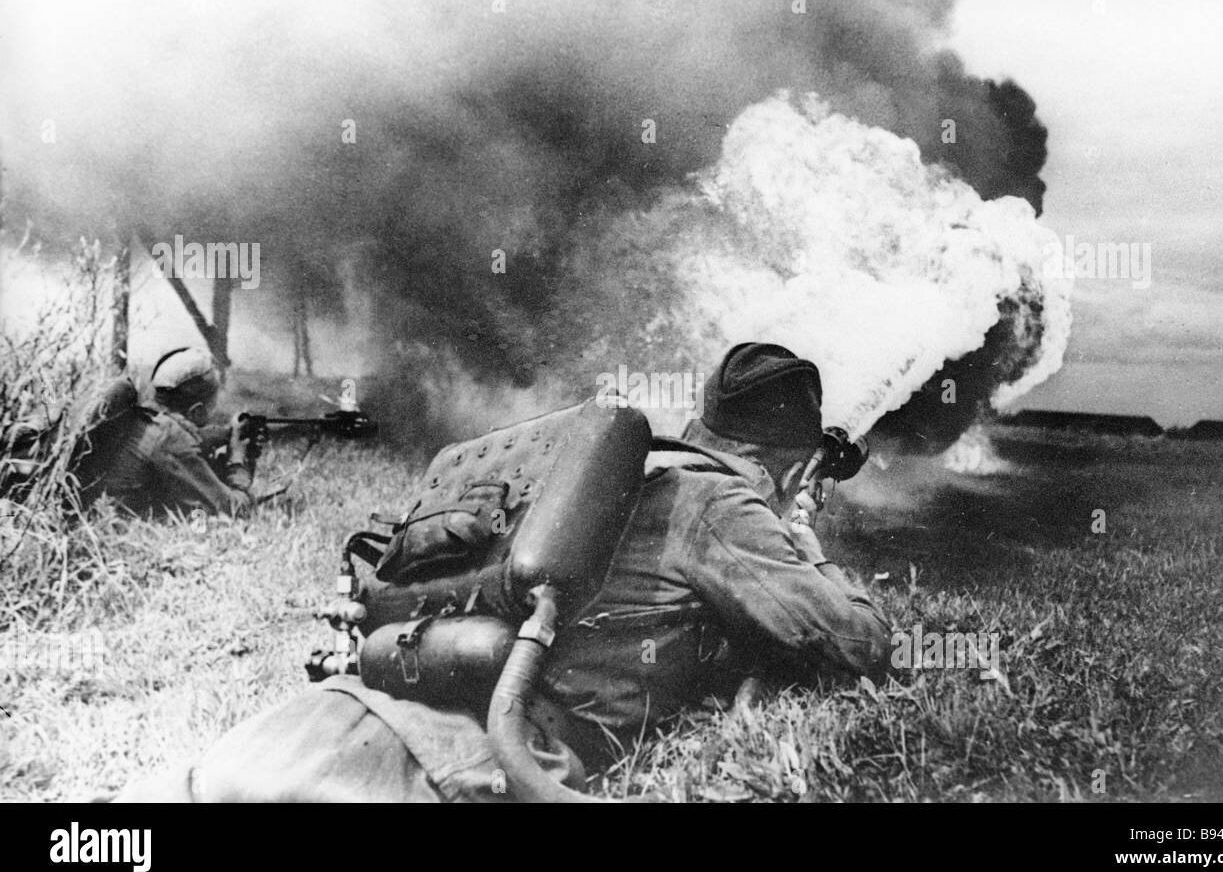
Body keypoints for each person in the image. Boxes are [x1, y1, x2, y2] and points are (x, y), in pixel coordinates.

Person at [114, 343, 890, 802]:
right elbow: (855, 643)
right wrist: (799, 532)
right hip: (438, 765)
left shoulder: (623, 472)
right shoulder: (719, 505)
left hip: (326, 718)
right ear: (788, 461)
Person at [76, 347, 256, 518]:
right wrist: (238, 460)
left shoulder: (144, 417)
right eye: (214, 407)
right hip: (119, 530)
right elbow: (233, 511)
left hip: (94, 515)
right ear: (196, 411)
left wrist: (214, 438)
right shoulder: (172, 439)